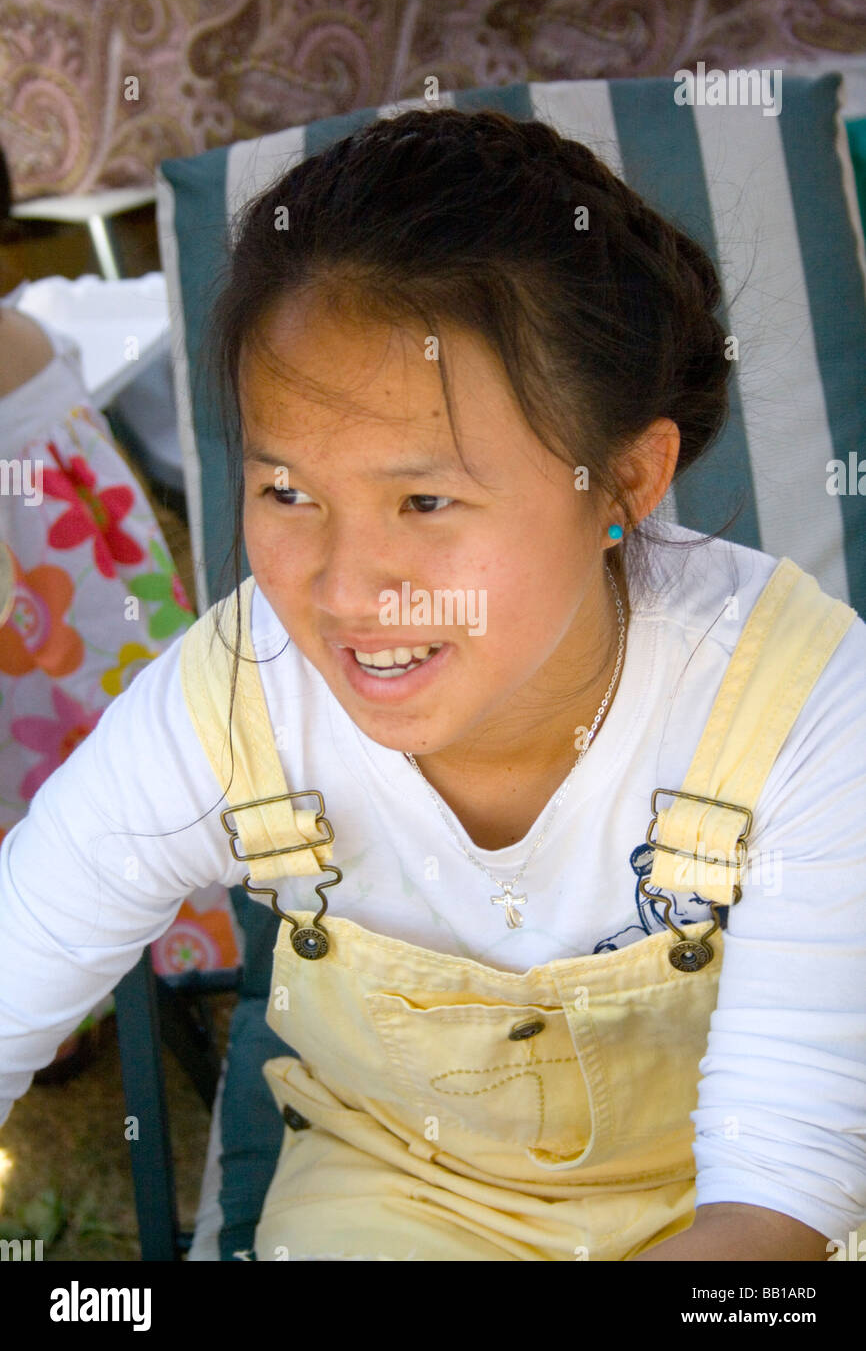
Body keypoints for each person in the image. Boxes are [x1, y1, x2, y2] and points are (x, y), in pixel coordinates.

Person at [1, 108, 864, 1262]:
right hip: (398, 1198)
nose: (348, 588)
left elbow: (779, 1182)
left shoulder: (798, 705)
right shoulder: (235, 699)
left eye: (425, 501)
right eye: (288, 492)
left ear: (622, 479)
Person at [0, 153, 198, 1079]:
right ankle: (174, 957)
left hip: (38, 643)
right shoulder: (27, 332)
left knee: (46, 817)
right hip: (106, 630)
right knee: (130, 798)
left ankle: (55, 1016)